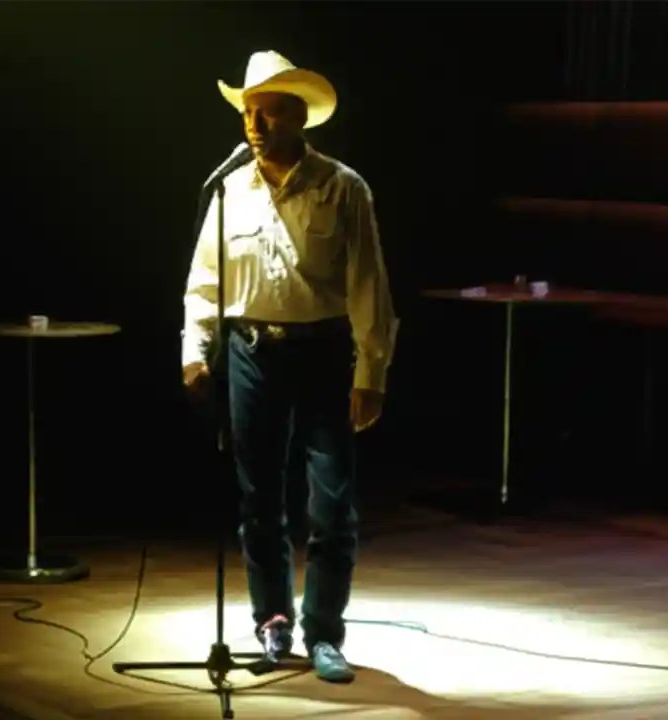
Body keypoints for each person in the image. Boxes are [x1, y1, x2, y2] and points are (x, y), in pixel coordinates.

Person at [181, 50, 398, 684]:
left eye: (270, 111)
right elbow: (205, 282)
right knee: (259, 498)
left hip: (323, 352)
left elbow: (369, 286)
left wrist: (371, 374)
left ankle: (324, 632)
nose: (255, 124)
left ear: (299, 117)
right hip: (251, 351)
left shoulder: (343, 187)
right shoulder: (227, 188)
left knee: (332, 502)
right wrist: (194, 351)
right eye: (249, 112)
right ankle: (272, 620)